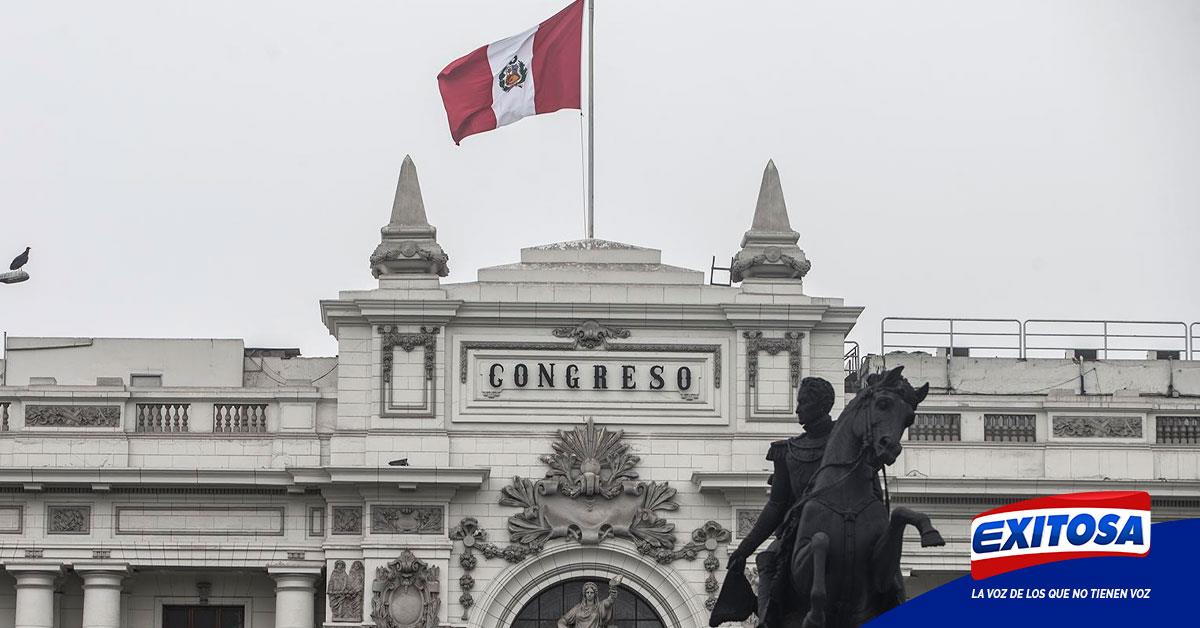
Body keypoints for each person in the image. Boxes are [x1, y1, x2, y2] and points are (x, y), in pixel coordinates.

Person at [718, 377, 837, 625]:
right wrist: (745, 548)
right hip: (801, 529)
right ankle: (768, 619)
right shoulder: (788, 451)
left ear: (822, 404)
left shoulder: (843, 441)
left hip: (831, 523)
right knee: (768, 558)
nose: (797, 409)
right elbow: (776, 506)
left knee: (769, 562)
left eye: (804, 402)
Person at [558, 577, 623, 628]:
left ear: (595, 594)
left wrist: (613, 587)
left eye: (591, 592)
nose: (589, 594)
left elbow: (610, 600)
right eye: (587, 592)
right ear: (585, 594)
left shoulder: (599, 607)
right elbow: (562, 621)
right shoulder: (577, 608)